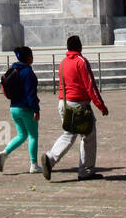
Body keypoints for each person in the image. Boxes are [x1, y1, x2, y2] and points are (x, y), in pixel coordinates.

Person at [41, 35, 108, 181]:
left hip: (64, 103)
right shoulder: (81, 62)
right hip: (79, 105)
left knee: (69, 134)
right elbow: (90, 86)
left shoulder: (63, 62)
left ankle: (50, 158)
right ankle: (85, 170)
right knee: (88, 136)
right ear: (80, 46)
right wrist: (101, 106)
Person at [0, 46, 42, 174]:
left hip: (14, 108)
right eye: (31, 55)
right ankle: (34, 164)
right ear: (27, 57)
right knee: (33, 135)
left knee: (22, 135)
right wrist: (36, 110)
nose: (32, 57)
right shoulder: (28, 72)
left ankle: (5, 153)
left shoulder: (13, 70)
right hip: (26, 108)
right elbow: (31, 93)